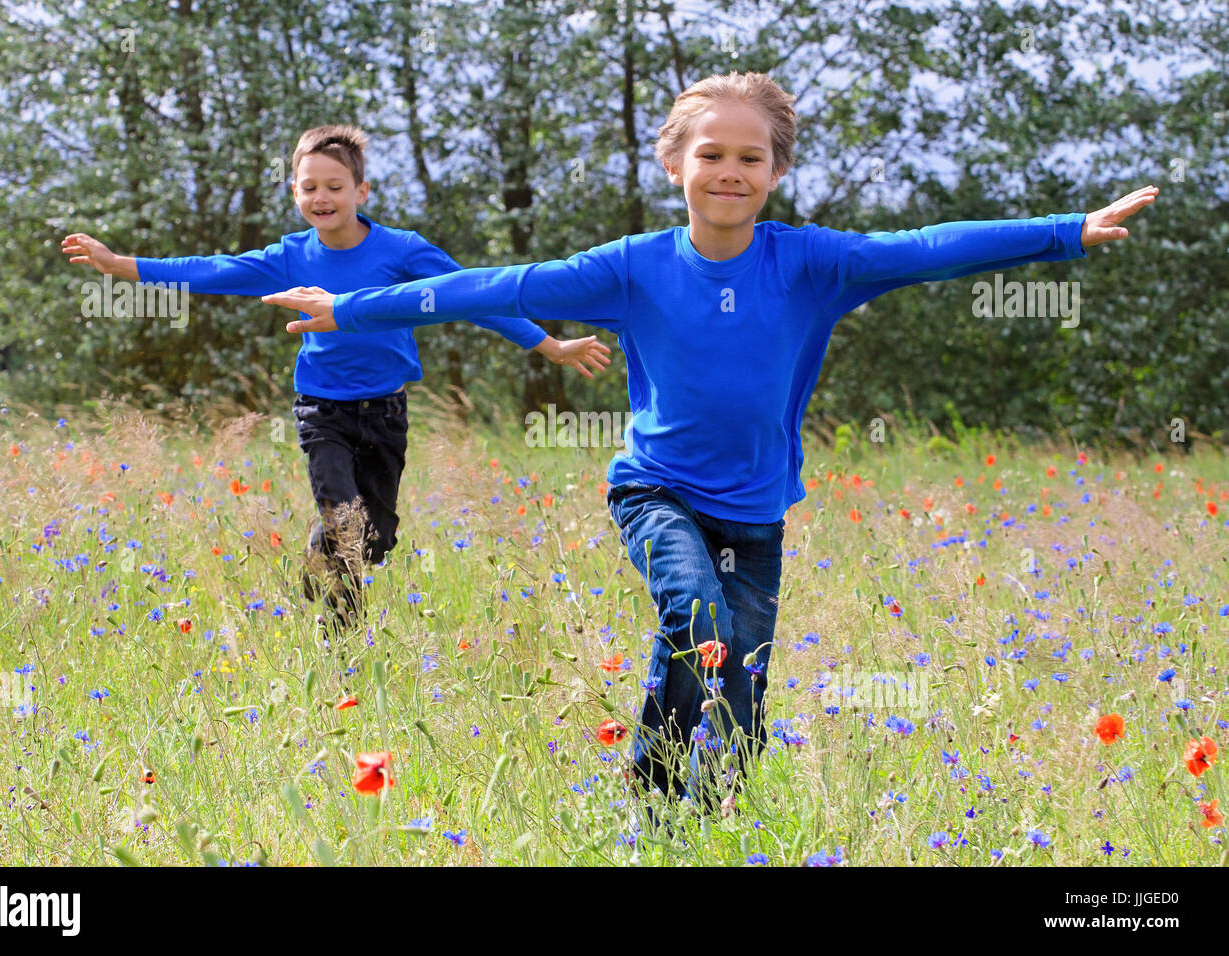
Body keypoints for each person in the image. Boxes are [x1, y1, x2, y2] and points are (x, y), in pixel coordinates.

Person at [259, 74, 1158, 812]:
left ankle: (669, 804)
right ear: (675, 164)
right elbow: (492, 286)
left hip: (758, 508)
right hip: (656, 489)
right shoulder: (632, 266)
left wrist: (1065, 234)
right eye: (711, 154)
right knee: (700, 622)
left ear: (774, 171)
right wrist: (353, 305)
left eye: (749, 157)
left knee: (735, 676)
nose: (729, 171)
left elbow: (928, 247)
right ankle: (690, 801)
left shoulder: (812, 262)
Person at [62, 125, 610, 625]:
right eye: (308, 188)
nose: (321, 198)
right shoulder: (288, 256)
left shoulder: (403, 250)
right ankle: (341, 641)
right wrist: (120, 266)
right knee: (345, 524)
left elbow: (476, 298)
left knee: (377, 539)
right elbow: (210, 269)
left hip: (386, 412)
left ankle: (316, 556)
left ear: (361, 192)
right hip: (322, 410)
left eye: (335, 187)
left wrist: (549, 343)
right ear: (295, 193)